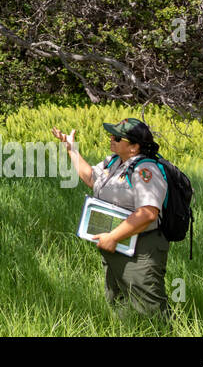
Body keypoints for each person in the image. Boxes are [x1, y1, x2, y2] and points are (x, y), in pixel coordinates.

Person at [52, 118, 170, 319]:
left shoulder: (146, 170)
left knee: (150, 311)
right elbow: (91, 178)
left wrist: (114, 236)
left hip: (140, 249)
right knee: (118, 303)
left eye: (117, 137)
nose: (111, 139)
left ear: (134, 147)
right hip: (116, 245)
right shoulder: (115, 161)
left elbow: (148, 212)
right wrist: (71, 149)